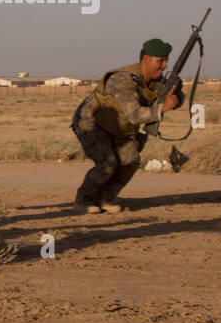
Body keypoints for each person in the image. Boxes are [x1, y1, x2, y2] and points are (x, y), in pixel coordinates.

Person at [70, 38, 181, 213]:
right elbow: (135, 115)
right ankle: (84, 200)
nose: (165, 66)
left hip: (119, 126)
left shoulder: (155, 82)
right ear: (146, 60)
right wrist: (163, 107)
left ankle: (105, 199)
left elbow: (169, 99)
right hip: (91, 122)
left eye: (166, 60)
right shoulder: (124, 79)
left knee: (130, 161)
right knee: (107, 163)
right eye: (160, 61)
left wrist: (176, 96)